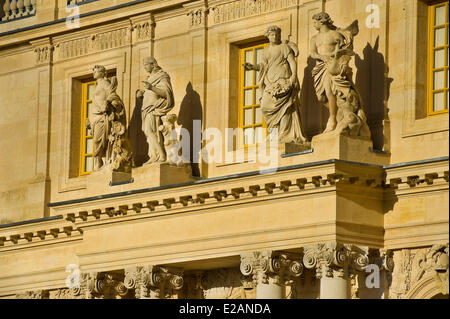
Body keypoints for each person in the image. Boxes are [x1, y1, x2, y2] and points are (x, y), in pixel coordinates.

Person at [243, 26, 306, 144]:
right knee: (265, 107)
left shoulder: (284, 47)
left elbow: (292, 62)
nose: (275, 36)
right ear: (268, 36)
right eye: (272, 35)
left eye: (277, 34)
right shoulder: (266, 51)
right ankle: (273, 133)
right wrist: (252, 67)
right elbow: (263, 67)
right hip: (270, 83)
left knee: (286, 108)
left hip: (284, 80)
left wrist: (293, 77)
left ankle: (285, 133)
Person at [310, 12, 368, 135]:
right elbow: (313, 53)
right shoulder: (314, 38)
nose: (314, 25)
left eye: (315, 22)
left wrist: (330, 58)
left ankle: (332, 119)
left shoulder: (335, 35)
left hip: (332, 66)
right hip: (320, 67)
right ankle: (337, 113)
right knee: (321, 97)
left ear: (322, 21)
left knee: (330, 90)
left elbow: (340, 52)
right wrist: (322, 57)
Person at [88, 65, 130, 171]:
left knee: (99, 139)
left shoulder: (104, 83)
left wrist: (107, 103)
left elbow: (113, 95)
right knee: (96, 139)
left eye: (97, 71)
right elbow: (95, 103)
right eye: (94, 70)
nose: (94, 72)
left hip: (103, 116)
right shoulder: (97, 85)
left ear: (103, 73)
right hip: (95, 116)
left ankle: (100, 162)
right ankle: (99, 162)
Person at [137, 57, 175, 164]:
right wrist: (141, 94)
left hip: (154, 108)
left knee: (150, 131)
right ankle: (154, 155)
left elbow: (166, 93)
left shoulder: (162, 76)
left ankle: (162, 155)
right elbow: (149, 92)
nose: (144, 67)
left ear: (153, 64)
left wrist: (151, 88)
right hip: (146, 108)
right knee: (148, 132)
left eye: (146, 65)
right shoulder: (149, 78)